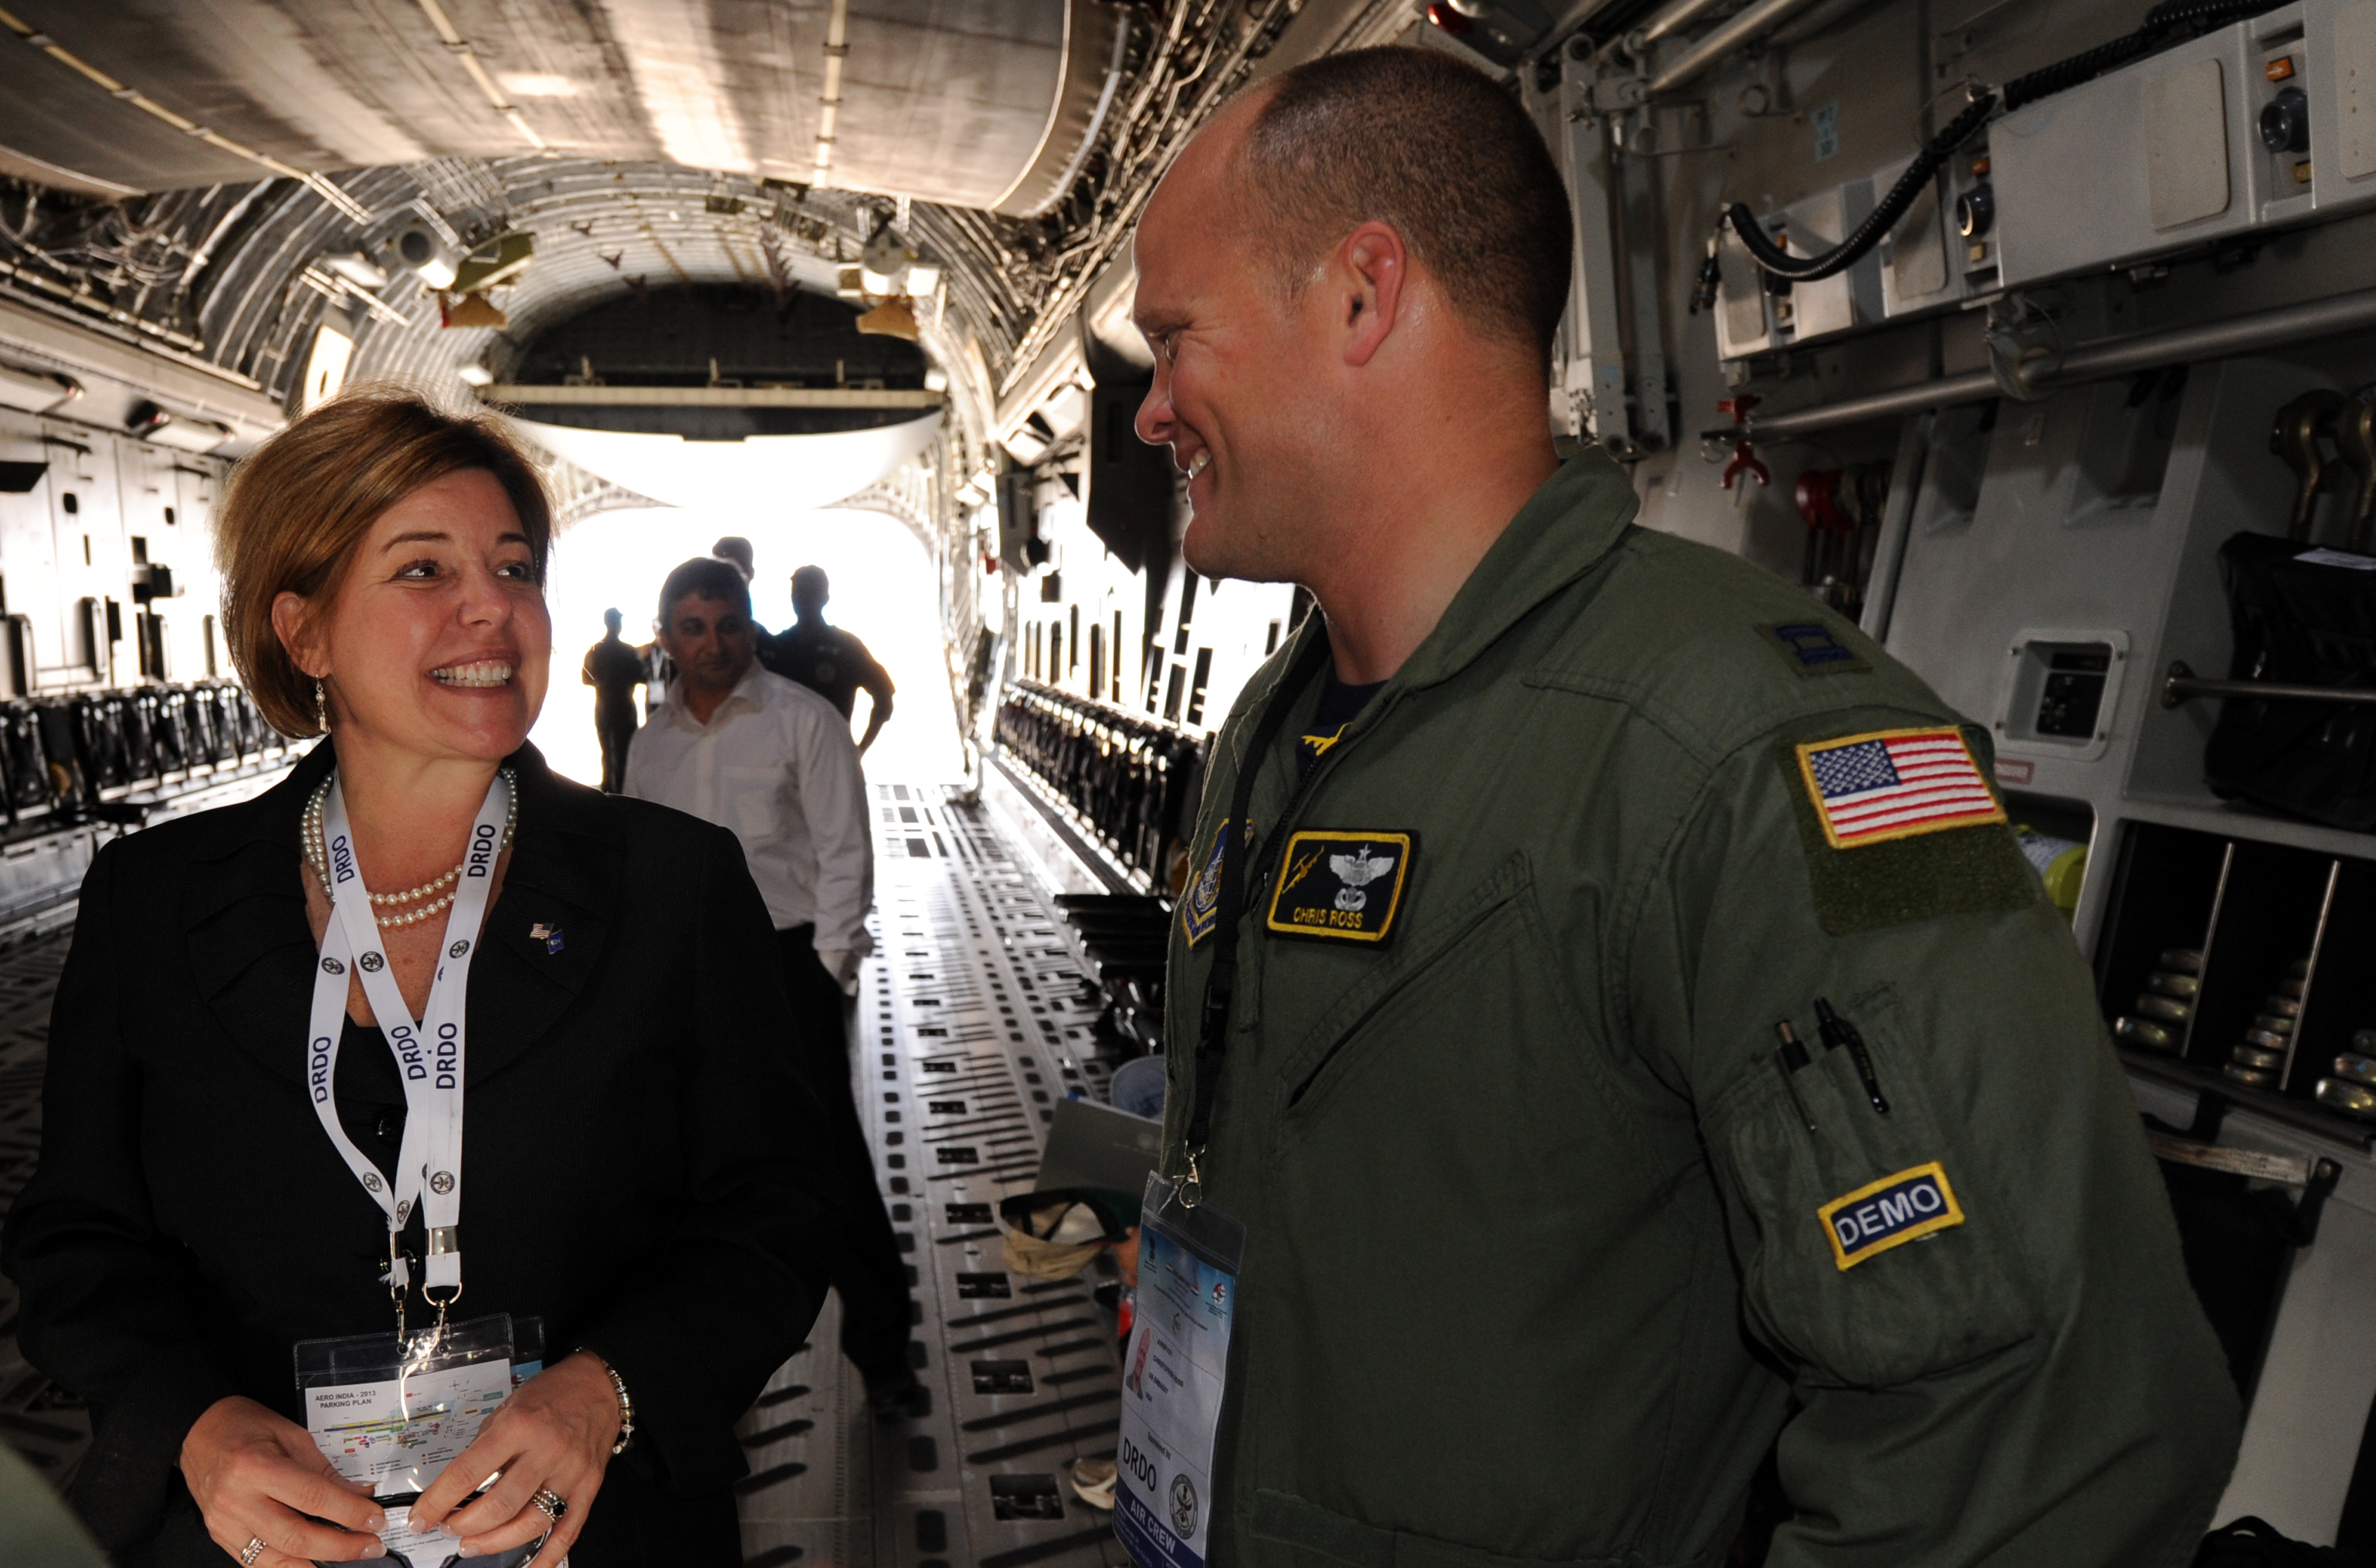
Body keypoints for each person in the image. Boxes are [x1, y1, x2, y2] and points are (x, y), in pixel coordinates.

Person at [1130, 46, 2239, 1567]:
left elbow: (2040, 1433)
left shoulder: (1750, 748)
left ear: (1357, 294)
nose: (1147, 411)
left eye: (1173, 338)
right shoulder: (1277, 725)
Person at [0, 389, 839, 1568]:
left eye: (511, 564)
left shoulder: (674, 887)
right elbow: (77, 1234)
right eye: (422, 569)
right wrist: (196, 1422)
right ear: (304, 632)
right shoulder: (154, 898)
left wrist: (610, 1388)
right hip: (259, 1538)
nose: (490, 604)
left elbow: (782, 1204)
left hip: (583, 1530)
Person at [623, 557, 918, 1411]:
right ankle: (712, 1366)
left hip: (787, 966)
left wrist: (827, 974)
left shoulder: (804, 721)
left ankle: (883, 1355)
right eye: (692, 627)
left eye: (726, 624)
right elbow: (639, 859)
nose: (711, 644)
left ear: (751, 628)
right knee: (697, 1168)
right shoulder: (653, 743)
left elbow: (842, 852)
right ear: (666, 637)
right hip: (687, 974)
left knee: (826, 1164)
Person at [758, 566, 896, 757]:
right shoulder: (778, 647)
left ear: (824, 598)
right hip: (786, 761)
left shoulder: (846, 647)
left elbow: (884, 699)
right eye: (798, 592)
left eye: (809, 592)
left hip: (828, 757)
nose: (802, 599)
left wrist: (859, 752)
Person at [581, 608, 646, 792]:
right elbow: (642, 677)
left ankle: (609, 794)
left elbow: (586, 679)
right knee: (624, 756)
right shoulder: (627, 651)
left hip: (604, 708)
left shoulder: (595, 650)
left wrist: (603, 682)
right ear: (617, 624)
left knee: (607, 754)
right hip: (625, 709)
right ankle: (623, 796)